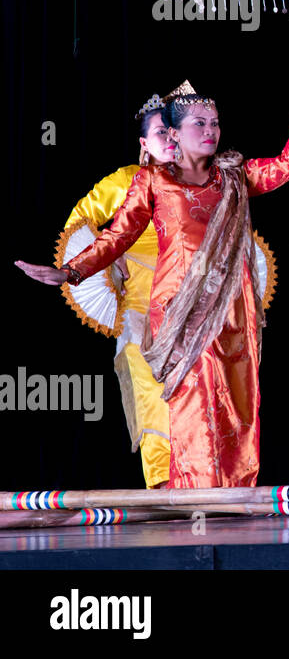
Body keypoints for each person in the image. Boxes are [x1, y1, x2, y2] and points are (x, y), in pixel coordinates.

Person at [17, 73, 289, 489]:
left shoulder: (233, 176)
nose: (210, 131)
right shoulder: (154, 181)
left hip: (233, 307)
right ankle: (196, 498)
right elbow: (117, 235)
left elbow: (287, 167)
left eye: (214, 123)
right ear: (174, 133)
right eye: (200, 123)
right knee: (195, 402)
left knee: (239, 401)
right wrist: (70, 271)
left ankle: (237, 499)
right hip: (178, 312)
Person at [58, 93, 178, 487]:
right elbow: (80, 221)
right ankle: (164, 489)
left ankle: (206, 488)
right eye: (161, 132)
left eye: (175, 129)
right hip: (142, 312)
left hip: (194, 311)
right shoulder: (127, 181)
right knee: (149, 387)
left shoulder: (198, 184)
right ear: (144, 144)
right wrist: (108, 256)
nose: (170, 138)